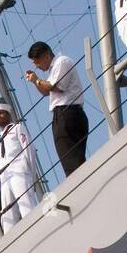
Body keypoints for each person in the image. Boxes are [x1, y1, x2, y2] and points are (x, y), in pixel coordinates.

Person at [25, 41, 89, 176]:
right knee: (71, 158)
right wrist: (35, 82)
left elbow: (56, 87)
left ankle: (79, 181)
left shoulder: (61, 62)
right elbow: (45, 92)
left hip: (67, 113)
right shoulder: (54, 69)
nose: (37, 66)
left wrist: (37, 80)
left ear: (46, 56)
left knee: (71, 160)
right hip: (65, 114)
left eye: (37, 62)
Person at [0, 103, 39, 227]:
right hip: (5, 178)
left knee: (25, 203)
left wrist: (32, 175)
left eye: (1, 113)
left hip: (19, 171)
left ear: (8, 115)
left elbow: (29, 149)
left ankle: (34, 227)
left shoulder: (17, 128)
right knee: (7, 214)